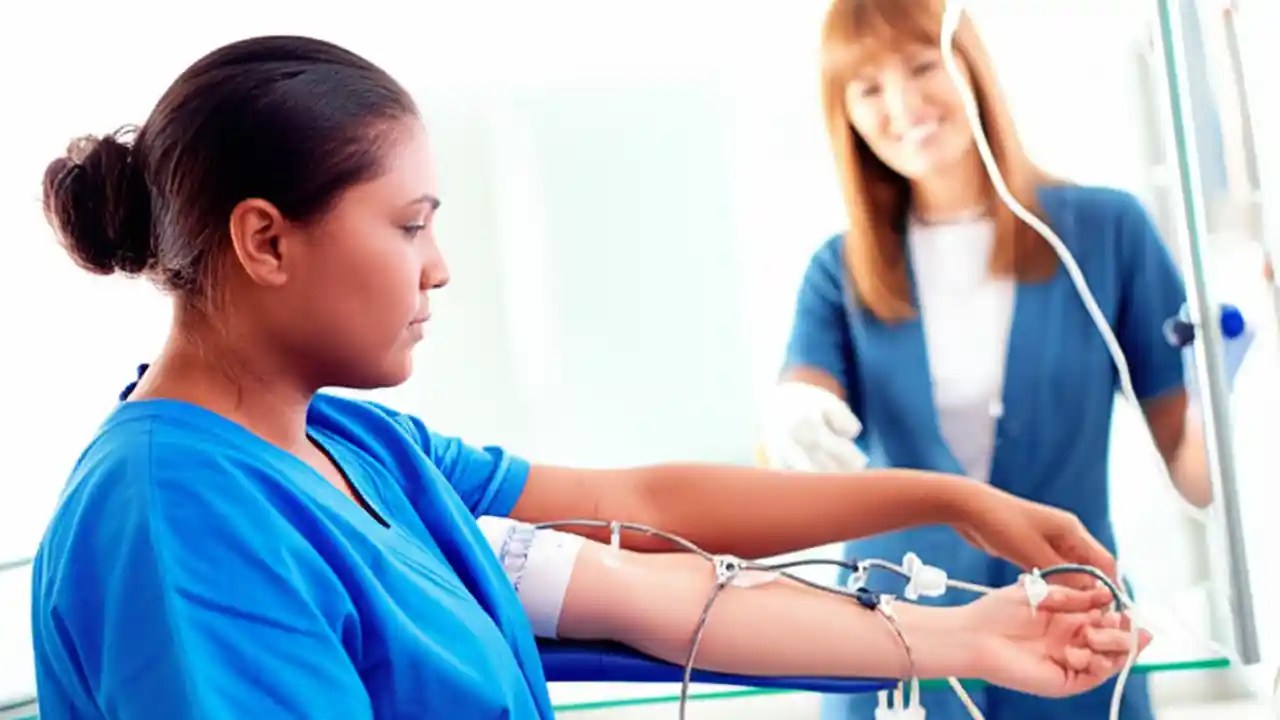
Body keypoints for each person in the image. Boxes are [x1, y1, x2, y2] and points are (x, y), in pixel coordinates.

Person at [30, 35, 1146, 720]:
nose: (439, 266)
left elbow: (643, 524)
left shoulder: (358, 451)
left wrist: (951, 523)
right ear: (266, 241)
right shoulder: (178, 515)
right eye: (408, 224)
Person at [761, 1, 1208, 718]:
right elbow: (804, 390)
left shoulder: (1106, 233)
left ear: (969, 64)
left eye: (920, 66)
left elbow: (1199, 478)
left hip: (1072, 640)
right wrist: (792, 415)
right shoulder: (840, 271)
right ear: (843, 113)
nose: (903, 104)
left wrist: (1242, 382)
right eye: (868, 87)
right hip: (896, 649)